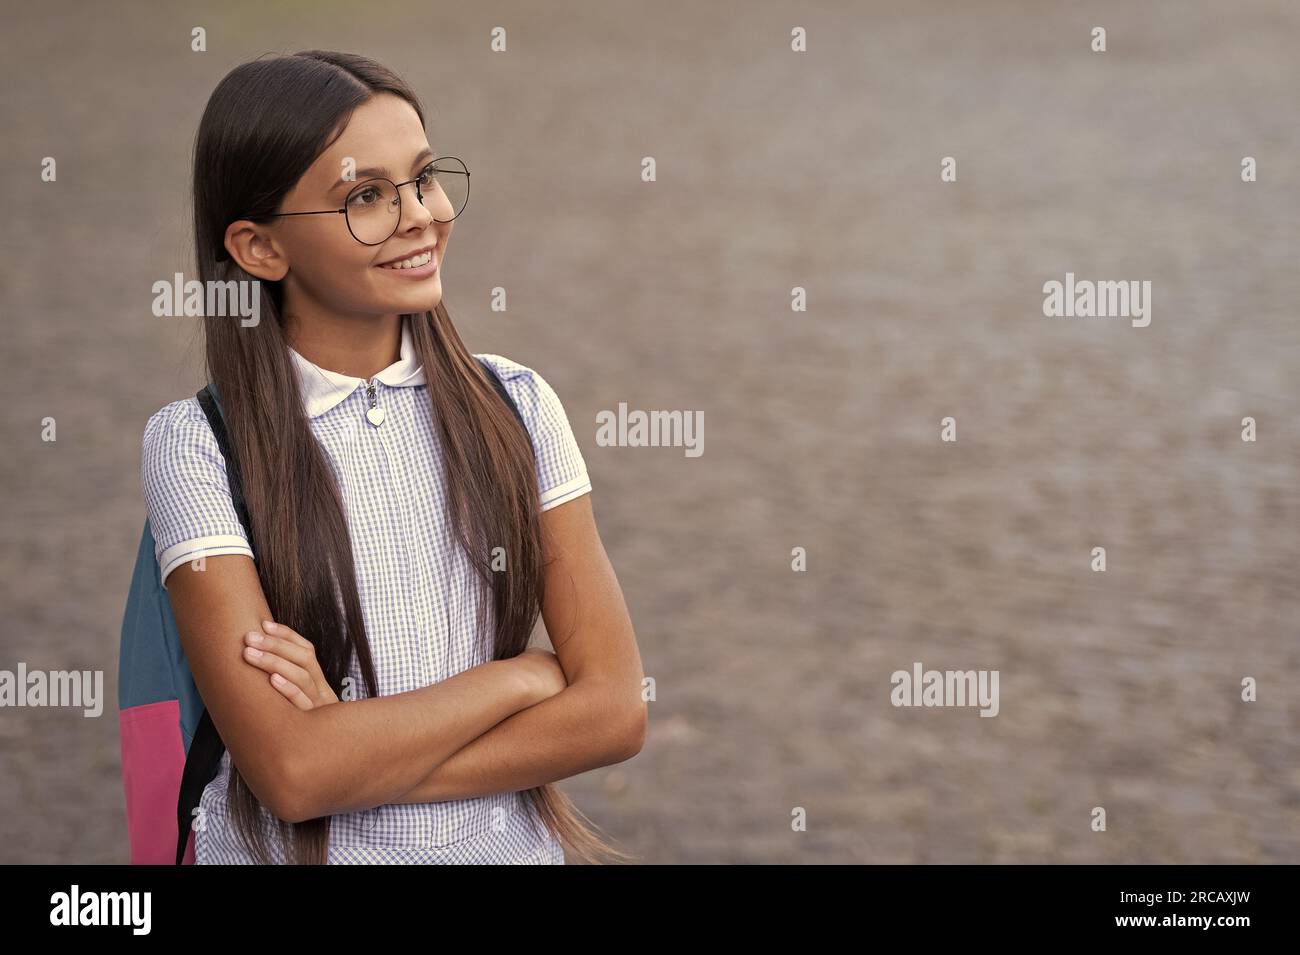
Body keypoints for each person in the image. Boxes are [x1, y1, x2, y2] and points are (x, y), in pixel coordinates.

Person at [140, 50, 645, 864]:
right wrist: (517, 679)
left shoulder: (518, 406)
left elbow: (615, 711)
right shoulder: (195, 444)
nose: (421, 216)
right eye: (365, 197)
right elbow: (293, 774)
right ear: (259, 248)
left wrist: (349, 746)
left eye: (423, 178)